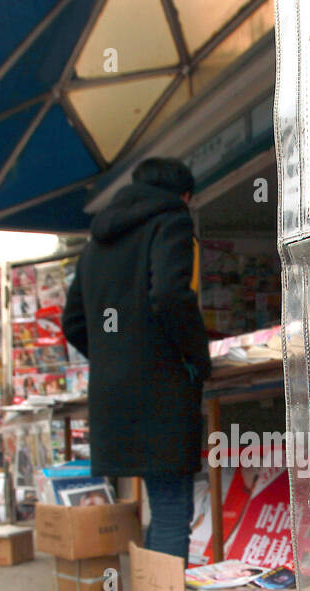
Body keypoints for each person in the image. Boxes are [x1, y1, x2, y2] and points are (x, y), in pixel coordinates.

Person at [62, 157, 211, 561]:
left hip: (113, 395)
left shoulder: (96, 243)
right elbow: (169, 296)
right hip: (161, 391)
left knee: (157, 506)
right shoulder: (173, 223)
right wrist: (198, 358)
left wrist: (115, 356)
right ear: (184, 196)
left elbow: (73, 321)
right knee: (170, 508)